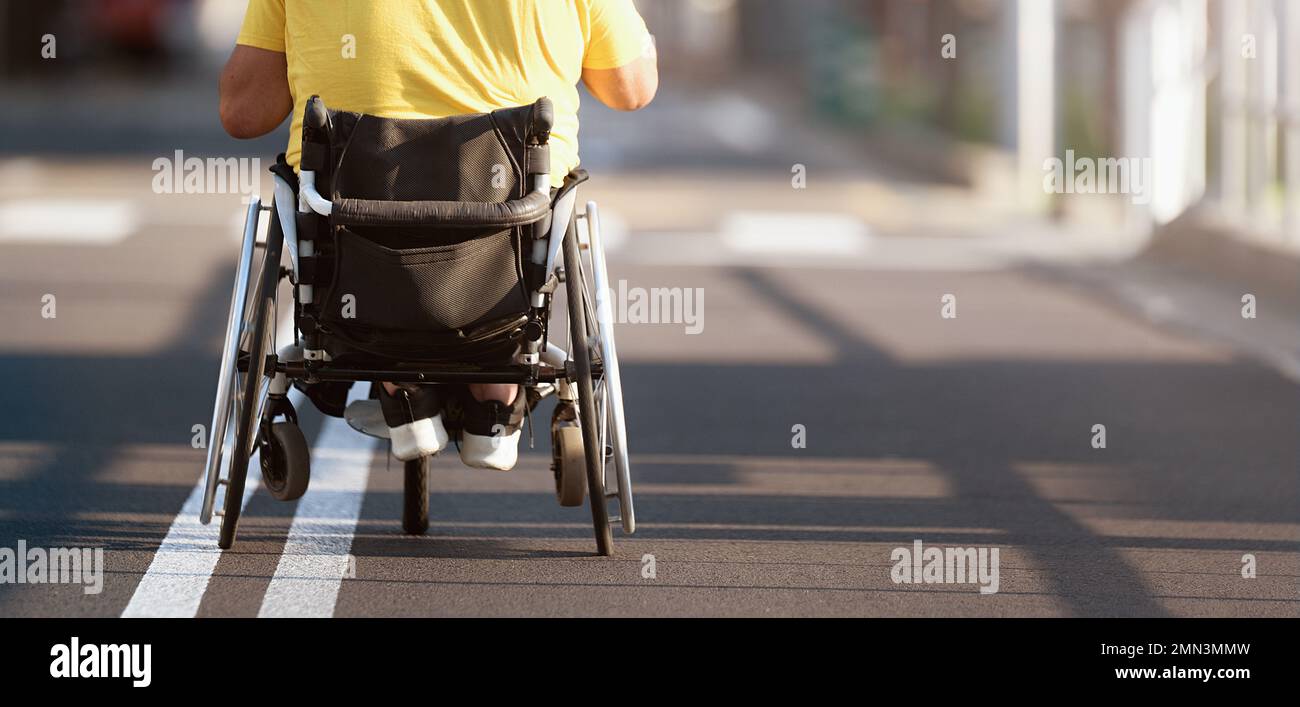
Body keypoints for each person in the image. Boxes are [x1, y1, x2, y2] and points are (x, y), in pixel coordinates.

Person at [219, 0, 657, 469]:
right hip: (512, 223)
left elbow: (243, 113)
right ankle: (494, 393)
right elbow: (630, 89)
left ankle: (400, 385)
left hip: (353, 236)